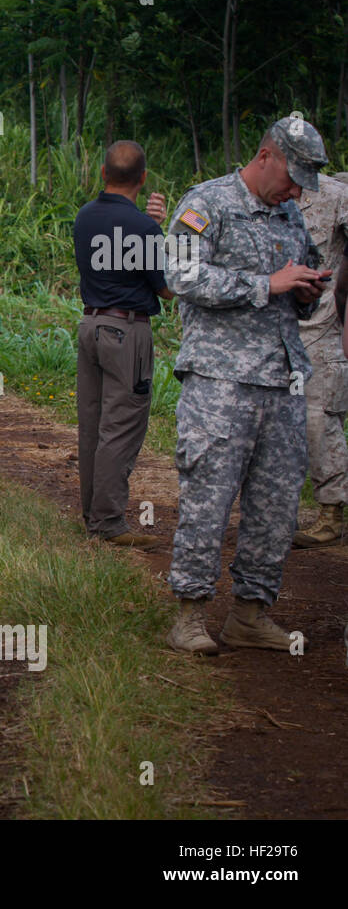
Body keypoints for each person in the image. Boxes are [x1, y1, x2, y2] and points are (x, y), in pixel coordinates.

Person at [164, 116, 328, 654]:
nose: (297, 189)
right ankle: (189, 615)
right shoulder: (207, 203)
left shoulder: (290, 216)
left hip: (282, 380)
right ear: (265, 157)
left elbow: (305, 273)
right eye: (293, 175)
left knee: (276, 505)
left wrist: (306, 291)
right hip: (220, 381)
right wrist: (266, 283)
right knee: (208, 500)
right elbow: (181, 275)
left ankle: (250, 614)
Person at [73, 140, 171, 547]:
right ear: (143, 179)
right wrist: (160, 228)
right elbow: (167, 289)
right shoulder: (145, 228)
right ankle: (109, 522)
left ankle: (93, 514)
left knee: (92, 424)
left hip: (91, 325)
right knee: (121, 426)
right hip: (127, 331)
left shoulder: (83, 216)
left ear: (102, 174)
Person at [291, 172, 348, 547]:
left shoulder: (336, 195)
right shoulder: (264, 195)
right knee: (276, 423)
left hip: (323, 330)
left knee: (319, 420)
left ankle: (331, 511)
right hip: (277, 326)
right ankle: (279, 509)